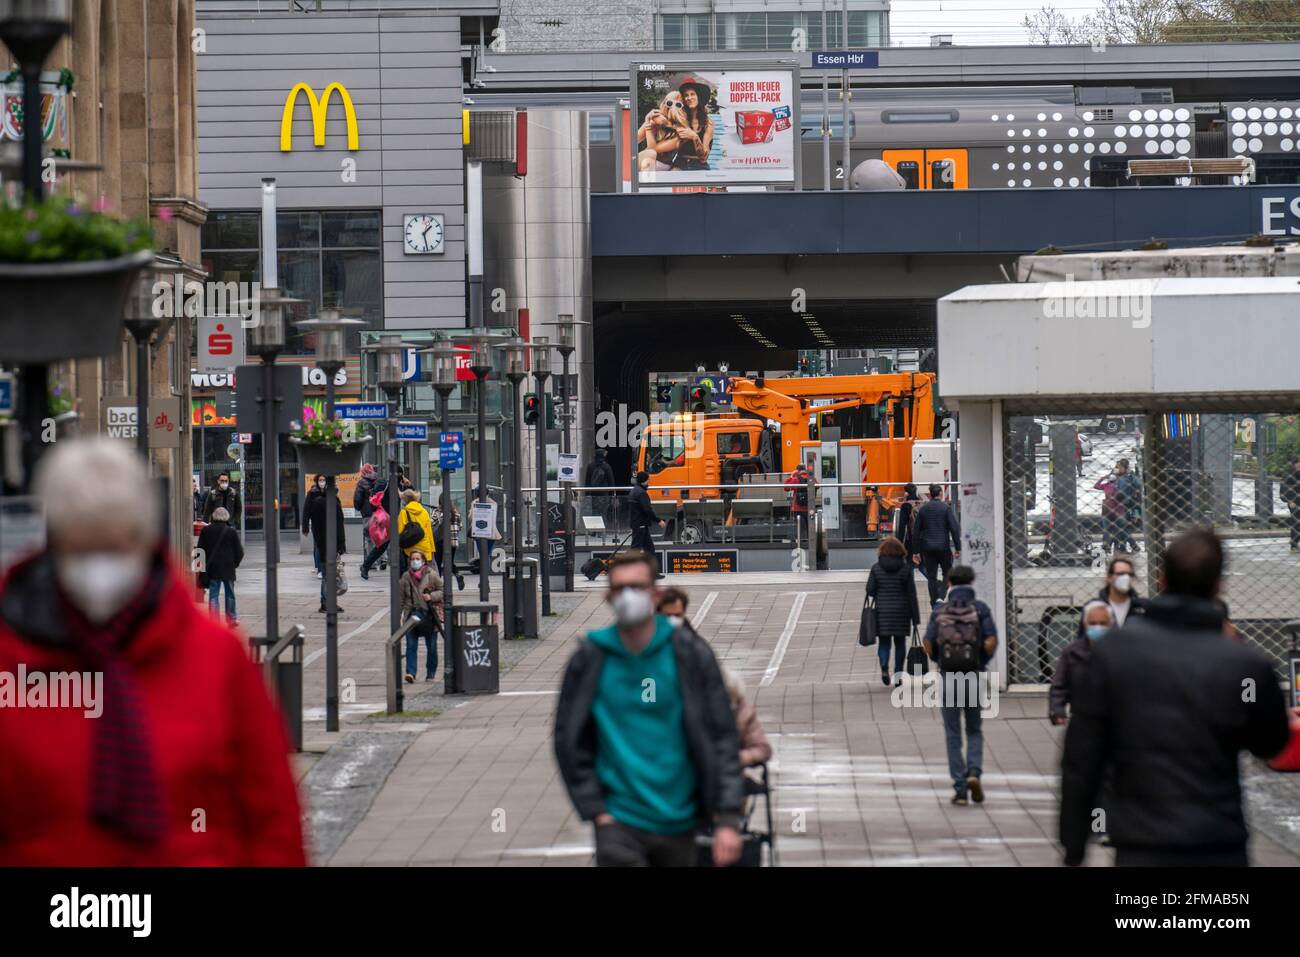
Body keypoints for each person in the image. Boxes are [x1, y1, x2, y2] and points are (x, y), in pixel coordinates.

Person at [0, 437, 306, 865]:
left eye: (116, 545)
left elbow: (269, 814)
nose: (99, 565)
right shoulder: (10, 655)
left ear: (145, 537)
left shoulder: (214, 655)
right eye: (82, 546)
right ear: (50, 541)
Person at [1060, 529, 1291, 867]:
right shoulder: (1244, 665)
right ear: (1218, 584)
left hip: (1143, 840)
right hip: (1216, 839)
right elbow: (1268, 743)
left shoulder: (1114, 654)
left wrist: (1074, 843)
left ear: (1161, 578)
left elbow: (1082, 756)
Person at [554, 551, 743, 867]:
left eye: (637, 586)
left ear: (655, 594)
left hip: (680, 819)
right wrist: (597, 810)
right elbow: (569, 738)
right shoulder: (591, 659)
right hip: (619, 822)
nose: (629, 596)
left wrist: (727, 817)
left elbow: (721, 734)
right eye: (620, 588)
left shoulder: (689, 654)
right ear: (608, 596)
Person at [923, 565, 997, 806]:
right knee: (974, 729)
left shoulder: (941, 610)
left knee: (952, 733)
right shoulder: (980, 608)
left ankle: (960, 788)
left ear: (950, 584)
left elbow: (928, 643)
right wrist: (981, 662)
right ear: (972, 583)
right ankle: (974, 772)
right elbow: (990, 641)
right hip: (973, 674)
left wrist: (941, 662)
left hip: (949, 677)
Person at [1049, 600, 1115, 725]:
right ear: (1085, 624)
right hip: (1083, 717)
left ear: (1111, 624)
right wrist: (1057, 710)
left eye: (1102, 623)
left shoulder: (1122, 650)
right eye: (1093, 623)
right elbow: (1059, 685)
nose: (1097, 627)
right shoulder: (1072, 652)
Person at [867, 535, 921, 687]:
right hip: (902, 612)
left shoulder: (876, 568)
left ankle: (884, 666)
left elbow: (870, 591)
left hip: (882, 612)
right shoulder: (905, 569)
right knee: (900, 644)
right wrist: (916, 619)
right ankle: (898, 674)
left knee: (884, 643)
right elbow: (912, 594)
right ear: (900, 551)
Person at [911, 483, 962, 605]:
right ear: (940, 494)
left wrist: (916, 551)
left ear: (930, 495)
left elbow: (916, 531)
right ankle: (941, 596)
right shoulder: (946, 508)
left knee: (932, 576)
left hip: (927, 548)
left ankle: (934, 601)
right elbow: (954, 528)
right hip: (943, 546)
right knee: (948, 573)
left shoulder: (923, 509)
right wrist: (958, 547)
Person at [399, 552, 442, 683]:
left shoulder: (431, 574)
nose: (415, 561)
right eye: (412, 559)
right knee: (411, 645)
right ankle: (410, 673)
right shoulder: (406, 576)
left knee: (432, 646)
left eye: (417, 559)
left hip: (429, 615)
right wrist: (398, 615)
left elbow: (443, 590)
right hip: (411, 615)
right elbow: (401, 598)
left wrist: (432, 596)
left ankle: (431, 672)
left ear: (423, 561)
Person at [197, 506, 243, 624]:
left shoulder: (206, 531)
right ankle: (231, 618)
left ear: (214, 516)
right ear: (226, 517)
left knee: (213, 595)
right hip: (228, 567)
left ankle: (214, 621)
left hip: (212, 568)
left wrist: (199, 569)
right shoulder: (231, 531)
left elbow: (199, 551)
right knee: (230, 594)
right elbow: (239, 552)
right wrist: (235, 564)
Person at [306, 478, 347, 614]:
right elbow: (339, 526)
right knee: (329, 575)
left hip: (321, 542)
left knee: (327, 574)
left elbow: (313, 522)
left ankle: (327, 602)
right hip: (331, 543)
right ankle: (327, 603)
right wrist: (341, 545)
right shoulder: (333, 503)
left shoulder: (317, 503)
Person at [627, 470, 665, 578]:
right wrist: (658, 520)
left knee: (648, 549)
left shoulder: (634, 491)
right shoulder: (641, 493)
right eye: (648, 480)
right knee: (637, 550)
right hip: (641, 525)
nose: (649, 482)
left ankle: (652, 573)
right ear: (644, 481)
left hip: (638, 524)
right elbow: (647, 510)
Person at [1099, 554, 1144, 626]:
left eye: (1129, 574)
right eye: (1121, 574)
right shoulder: (1094, 607)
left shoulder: (1141, 607)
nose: (1126, 577)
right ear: (1109, 577)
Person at [358, 485, 390, 581]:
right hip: (387, 521)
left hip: (393, 520)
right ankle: (366, 566)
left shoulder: (394, 486)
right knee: (380, 547)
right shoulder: (383, 485)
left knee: (381, 547)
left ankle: (366, 566)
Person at [397, 489, 435, 568]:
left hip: (410, 550)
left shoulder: (403, 512)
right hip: (425, 549)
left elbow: (400, 532)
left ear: (404, 500)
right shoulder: (424, 511)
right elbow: (429, 532)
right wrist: (432, 550)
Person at [784, 461, 818, 550]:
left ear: (797, 470)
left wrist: (791, 476)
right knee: (810, 528)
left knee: (800, 529)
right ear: (805, 469)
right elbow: (817, 485)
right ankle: (811, 546)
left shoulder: (796, 479)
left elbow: (786, 487)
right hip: (809, 507)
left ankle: (802, 547)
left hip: (798, 508)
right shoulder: (811, 478)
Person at [1112, 458, 1141, 553]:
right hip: (1125, 506)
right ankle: (1123, 547)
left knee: (1122, 528)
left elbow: (1121, 493)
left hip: (1124, 506)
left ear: (1125, 468)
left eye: (1119, 467)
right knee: (1123, 528)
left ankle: (1133, 546)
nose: (1117, 469)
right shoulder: (1123, 477)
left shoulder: (1125, 478)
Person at [1094, 473, 1125, 554]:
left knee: (1106, 531)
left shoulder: (1106, 486)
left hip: (1106, 510)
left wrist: (1102, 478)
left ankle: (1106, 546)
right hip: (1117, 511)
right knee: (1116, 530)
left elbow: (1096, 486)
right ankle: (1116, 546)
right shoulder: (1119, 487)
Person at [302, 474, 326, 578]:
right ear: (317, 481)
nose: (322, 482)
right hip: (316, 524)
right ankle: (320, 569)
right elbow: (306, 511)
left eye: (324, 480)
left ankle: (325, 567)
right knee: (318, 546)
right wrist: (305, 527)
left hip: (328, 524)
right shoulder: (311, 494)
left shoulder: (330, 492)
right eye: (320, 480)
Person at [584, 448, 616, 526]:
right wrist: (613, 494)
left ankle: (595, 529)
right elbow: (611, 481)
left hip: (594, 493)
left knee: (595, 511)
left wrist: (587, 494)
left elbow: (587, 481)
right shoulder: (606, 467)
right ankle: (602, 531)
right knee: (603, 512)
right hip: (604, 493)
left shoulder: (590, 466)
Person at [354, 463, 379, 552]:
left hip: (367, 513)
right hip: (379, 513)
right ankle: (383, 558)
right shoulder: (378, 480)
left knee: (369, 537)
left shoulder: (362, 482)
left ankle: (371, 562)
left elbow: (358, 499)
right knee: (380, 536)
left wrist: (358, 507)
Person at [894, 482, 921, 559]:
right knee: (923, 564)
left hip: (911, 538)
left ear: (906, 492)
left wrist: (899, 541)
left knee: (910, 562)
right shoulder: (920, 504)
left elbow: (902, 526)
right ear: (916, 490)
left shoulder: (905, 505)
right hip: (923, 538)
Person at [1283, 458, 1300, 552]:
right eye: (1297, 464)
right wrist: (1289, 500)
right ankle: (1293, 545)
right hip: (1294, 502)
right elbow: (1284, 490)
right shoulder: (1289, 476)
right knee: (1296, 523)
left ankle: (1295, 542)